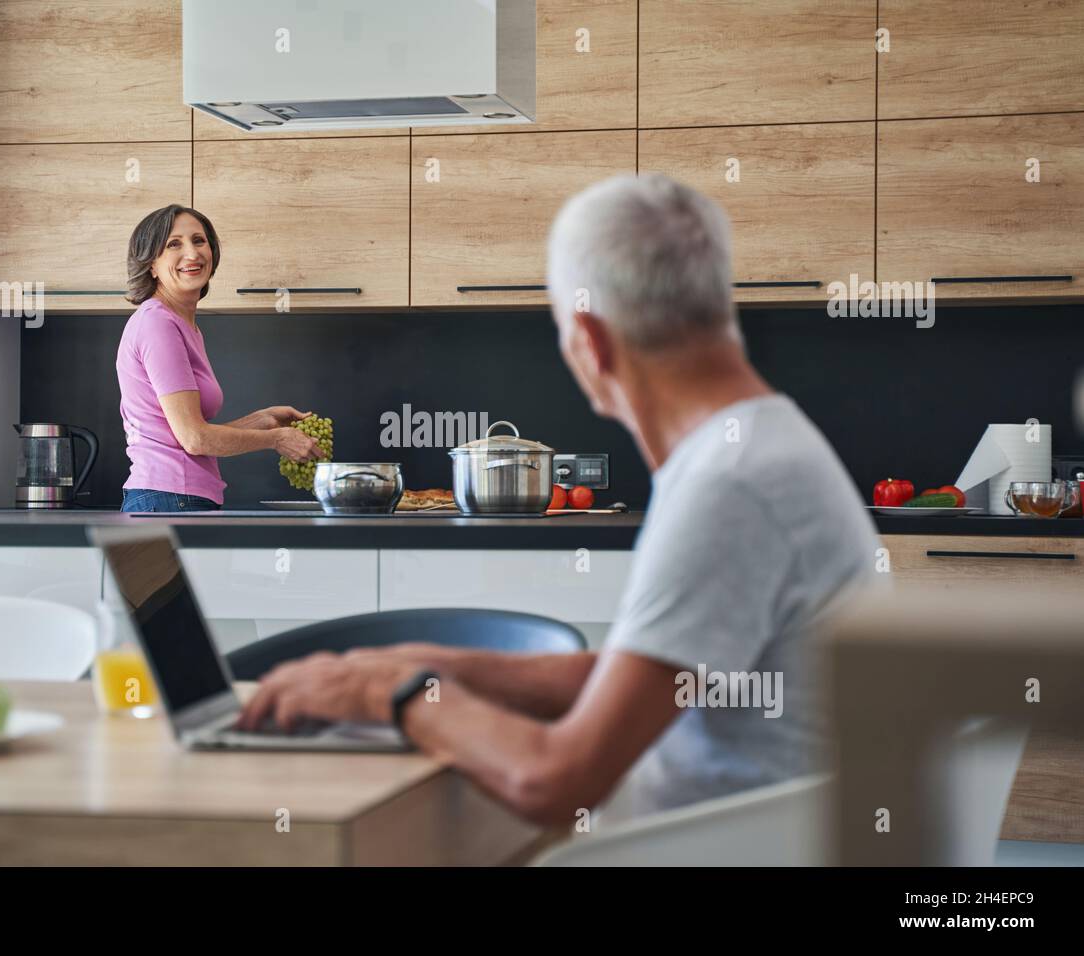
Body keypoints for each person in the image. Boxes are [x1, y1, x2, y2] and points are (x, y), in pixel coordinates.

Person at [238, 174, 882, 824]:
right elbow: (635, 681)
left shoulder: (727, 485)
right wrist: (432, 663)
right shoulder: (762, 444)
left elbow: (554, 782)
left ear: (589, 341)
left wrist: (398, 693)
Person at [116, 204, 322, 513]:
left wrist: (263, 421)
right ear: (152, 265)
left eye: (199, 241)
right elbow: (195, 439)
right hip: (168, 499)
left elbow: (188, 433)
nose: (192, 253)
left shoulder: (184, 327)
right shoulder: (158, 324)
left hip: (174, 498)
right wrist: (277, 439)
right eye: (174, 244)